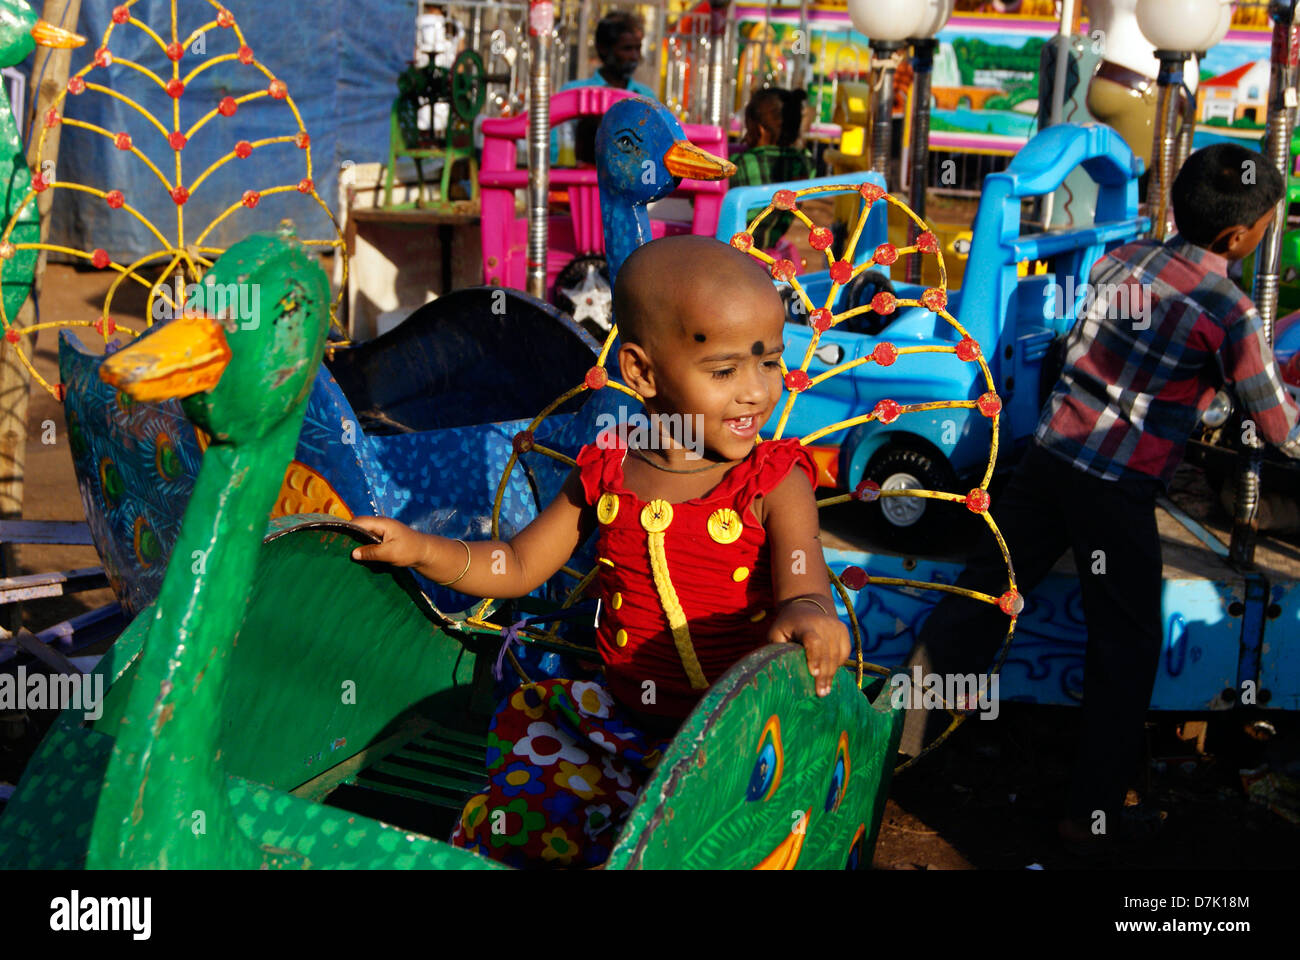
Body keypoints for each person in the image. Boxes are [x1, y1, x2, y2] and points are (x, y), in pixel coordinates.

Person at [350, 235, 850, 867]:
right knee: (524, 817)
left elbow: (803, 576)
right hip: (620, 731)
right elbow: (519, 564)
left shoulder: (775, 481)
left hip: (744, 741)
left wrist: (808, 611)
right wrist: (423, 549)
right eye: (724, 371)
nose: (754, 391)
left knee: (706, 847)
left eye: (769, 363)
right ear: (641, 372)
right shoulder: (607, 471)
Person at [897, 143, 1300, 853]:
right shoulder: (1230, 310)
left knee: (982, 599)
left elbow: (1093, 356)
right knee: (1127, 647)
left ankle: (899, 750)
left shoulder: (1124, 261)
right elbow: (1277, 427)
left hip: (1051, 460)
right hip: (1115, 491)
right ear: (1241, 236)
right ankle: (1088, 815)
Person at [554, 12, 657, 167]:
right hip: (578, 183)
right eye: (627, 49)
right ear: (603, 48)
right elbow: (554, 152)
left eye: (638, 49)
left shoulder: (646, 96)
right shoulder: (572, 93)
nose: (635, 57)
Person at [730, 88, 814, 257]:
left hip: (736, 249)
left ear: (760, 128)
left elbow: (700, 204)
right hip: (771, 243)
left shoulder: (741, 163)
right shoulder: (804, 164)